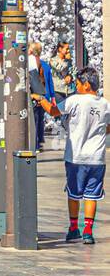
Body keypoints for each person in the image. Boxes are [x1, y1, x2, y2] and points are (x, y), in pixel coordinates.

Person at [35, 67, 108, 244]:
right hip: (97, 158)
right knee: (92, 194)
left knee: (74, 193)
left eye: (77, 84)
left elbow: (53, 111)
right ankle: (88, 231)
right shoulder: (105, 104)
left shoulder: (74, 101)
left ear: (86, 84)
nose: (76, 87)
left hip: (75, 157)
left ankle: (74, 227)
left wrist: (40, 99)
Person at [27, 42, 56, 152]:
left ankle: (35, 143)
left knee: (35, 119)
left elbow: (35, 81)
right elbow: (49, 82)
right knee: (39, 119)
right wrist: (52, 96)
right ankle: (39, 142)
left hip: (36, 95)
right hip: (44, 95)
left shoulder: (31, 62)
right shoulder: (44, 64)